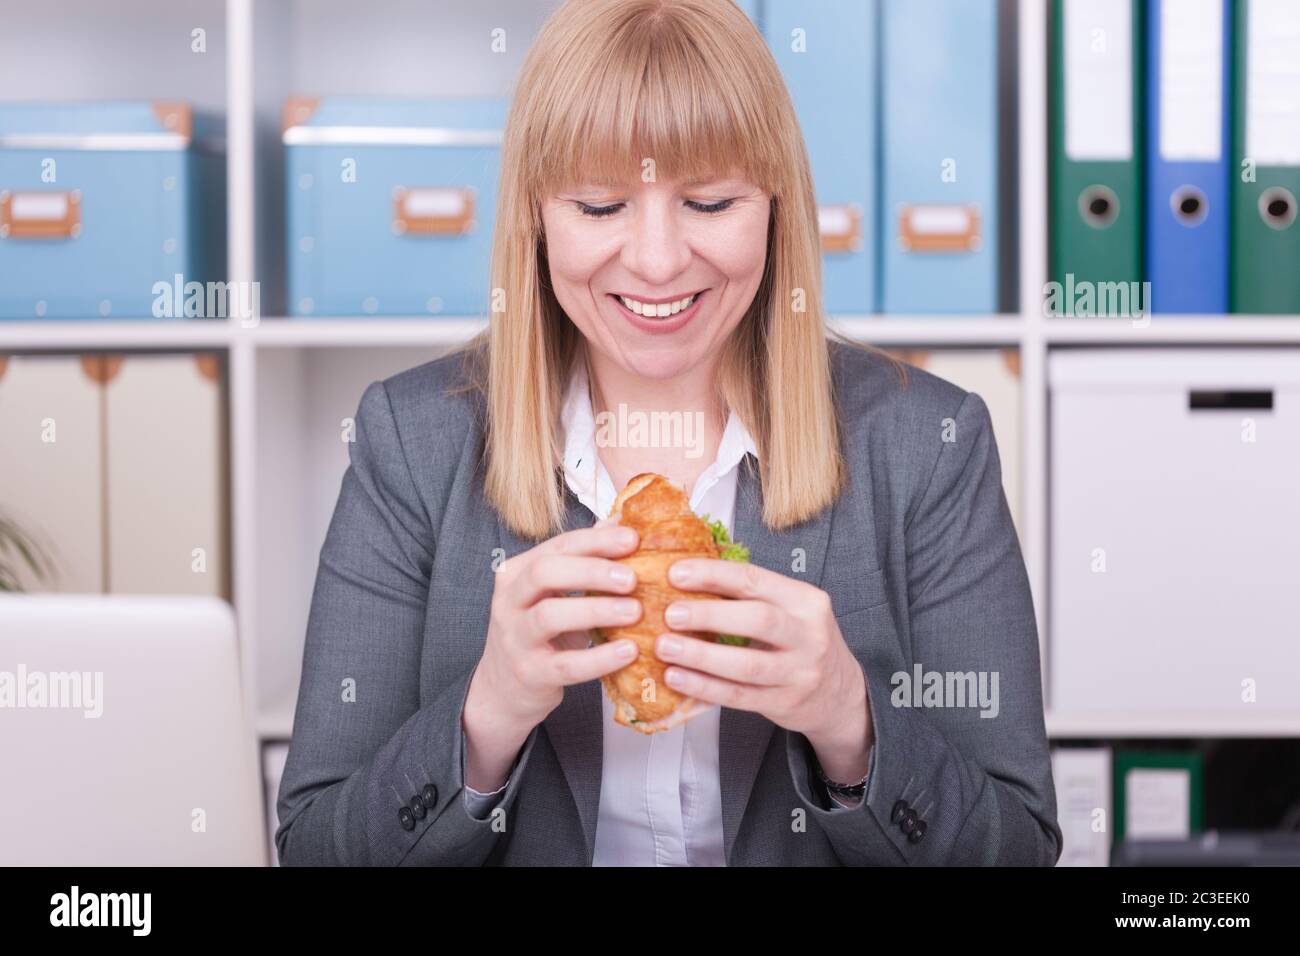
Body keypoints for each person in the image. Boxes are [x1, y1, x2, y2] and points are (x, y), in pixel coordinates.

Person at [276, 0, 1061, 866]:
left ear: (775, 207)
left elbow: (1018, 848)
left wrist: (851, 720)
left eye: (709, 201)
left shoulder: (929, 443)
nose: (656, 261)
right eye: (601, 205)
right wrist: (486, 714)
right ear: (537, 215)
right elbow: (315, 849)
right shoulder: (410, 442)